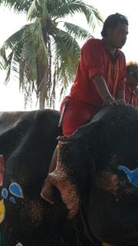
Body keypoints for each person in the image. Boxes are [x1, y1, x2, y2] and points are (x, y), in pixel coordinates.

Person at [41, 13, 129, 203]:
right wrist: (110, 100)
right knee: (69, 141)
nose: (125, 37)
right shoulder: (92, 46)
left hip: (105, 109)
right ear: (109, 30)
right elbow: (96, 77)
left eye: (126, 33)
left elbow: (121, 86)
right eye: (121, 32)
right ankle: (49, 181)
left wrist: (122, 108)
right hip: (81, 105)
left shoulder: (121, 57)